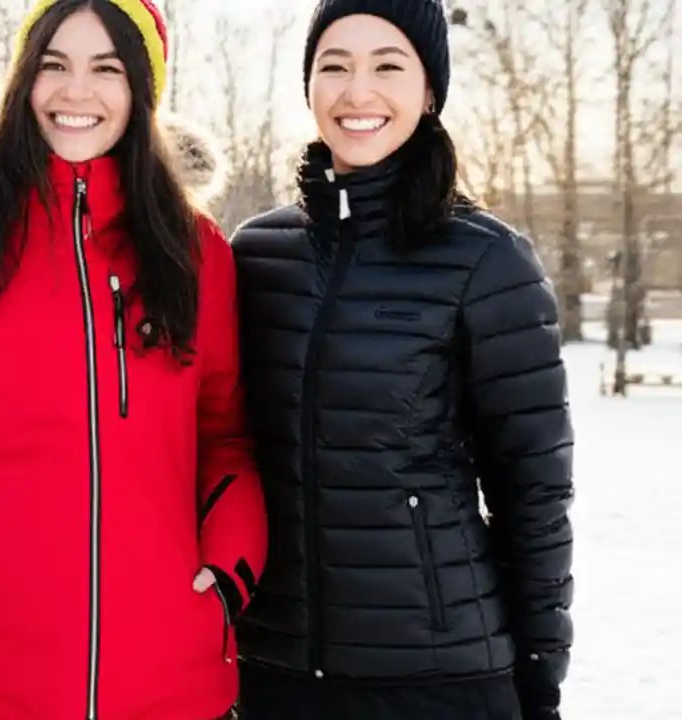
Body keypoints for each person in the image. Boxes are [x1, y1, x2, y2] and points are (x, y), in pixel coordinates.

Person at [0, 1, 268, 718]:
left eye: (107, 69)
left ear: (141, 91)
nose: (77, 92)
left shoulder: (195, 253)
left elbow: (227, 441)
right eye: (54, 66)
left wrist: (228, 574)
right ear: (22, 83)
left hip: (171, 679)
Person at [230, 1, 574, 718]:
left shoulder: (485, 259)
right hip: (272, 670)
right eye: (335, 66)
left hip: (436, 677)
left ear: (429, 91)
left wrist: (540, 675)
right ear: (309, 86)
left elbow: (532, 495)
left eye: (388, 65)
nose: (359, 92)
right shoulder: (257, 255)